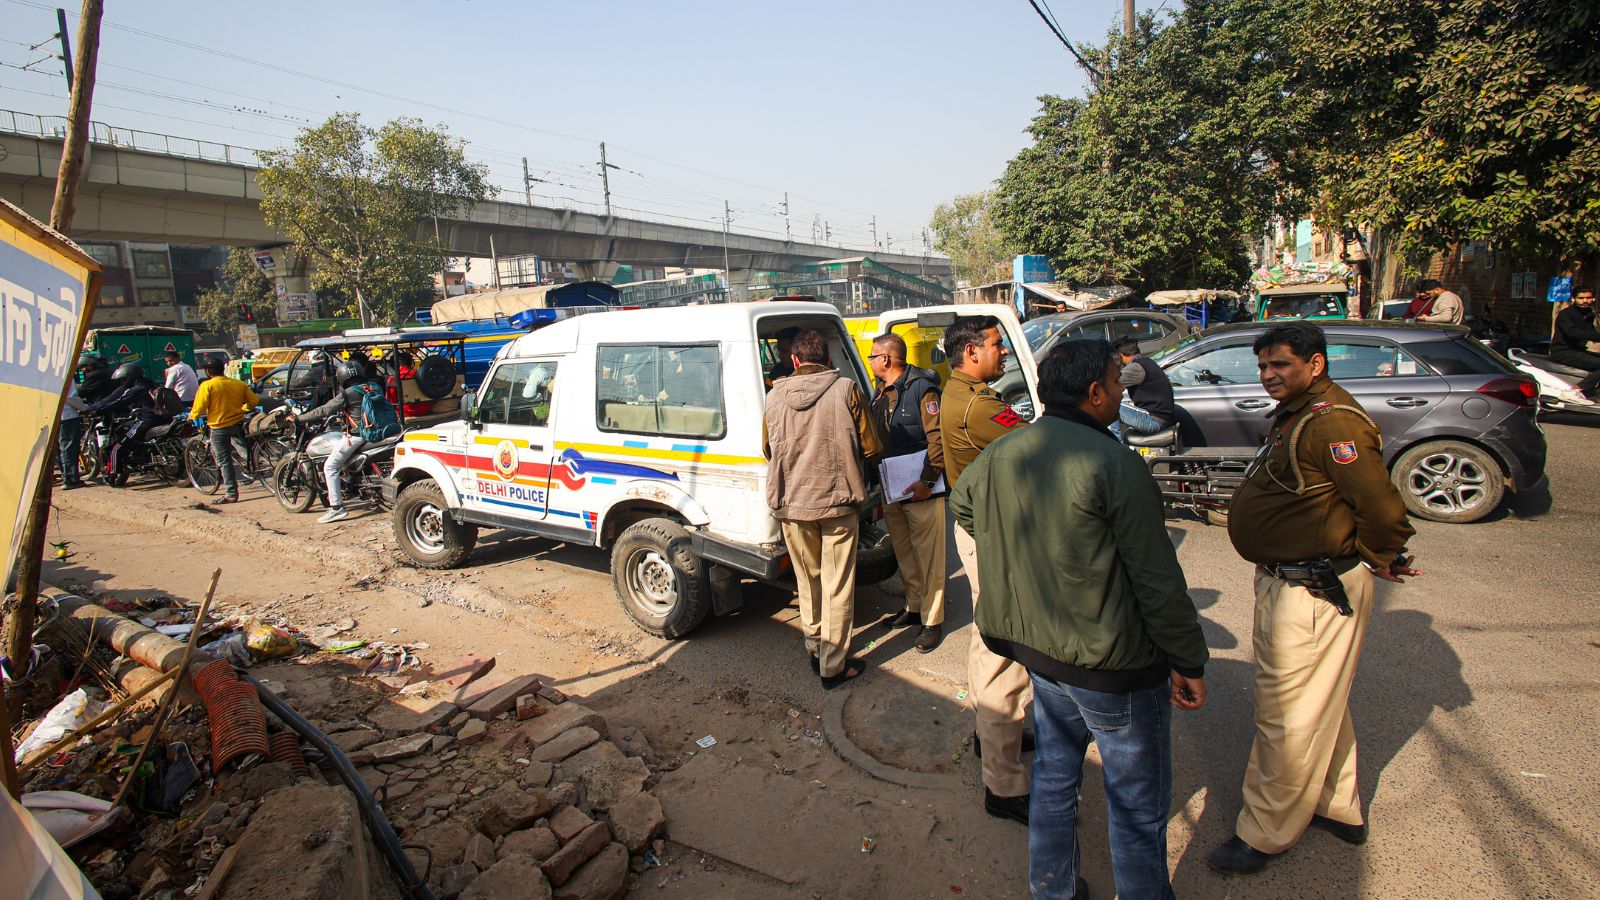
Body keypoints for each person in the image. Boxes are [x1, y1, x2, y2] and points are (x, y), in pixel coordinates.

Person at [951, 339, 1209, 899]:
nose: (1122, 393)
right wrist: (1188, 659)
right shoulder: (1114, 463)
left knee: (1053, 777)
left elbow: (964, 506)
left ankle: (1054, 888)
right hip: (1112, 667)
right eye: (1118, 384)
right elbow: (1159, 583)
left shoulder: (1005, 450)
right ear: (1095, 393)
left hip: (1040, 656)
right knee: (1136, 808)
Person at [1209, 321, 1421, 875]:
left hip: (1313, 587)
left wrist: (1380, 554)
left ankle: (1265, 831)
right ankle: (1337, 804)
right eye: (1263, 366)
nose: (1268, 375)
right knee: (1317, 701)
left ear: (1315, 364)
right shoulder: (1303, 414)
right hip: (1290, 580)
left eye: (1279, 364)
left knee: (1287, 714)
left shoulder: (1333, 424)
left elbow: (1380, 506)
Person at [939, 314, 1032, 824]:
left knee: (987, 631)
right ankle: (1005, 782)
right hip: (992, 530)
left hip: (979, 525)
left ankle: (994, 730)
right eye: (997, 346)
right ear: (972, 352)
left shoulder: (958, 392)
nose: (1004, 354)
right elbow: (1031, 447)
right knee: (1004, 645)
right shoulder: (977, 405)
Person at [763, 329, 884, 689]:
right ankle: (833, 666)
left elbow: (768, 449)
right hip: (837, 504)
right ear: (828, 359)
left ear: (796, 360)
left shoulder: (773, 397)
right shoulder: (847, 389)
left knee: (808, 581)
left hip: (793, 505)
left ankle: (815, 648)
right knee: (837, 585)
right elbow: (871, 445)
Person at [867, 332, 947, 653]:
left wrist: (927, 482)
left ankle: (933, 619)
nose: (870, 361)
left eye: (873, 356)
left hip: (921, 486)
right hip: (892, 485)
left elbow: (937, 438)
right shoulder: (879, 391)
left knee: (929, 557)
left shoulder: (922, 389)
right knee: (905, 552)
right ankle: (914, 607)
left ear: (885, 359)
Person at [287, 360, 392, 524]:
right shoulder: (374, 386)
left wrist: (300, 418)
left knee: (330, 466)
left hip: (359, 435)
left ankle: (336, 508)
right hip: (383, 430)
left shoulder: (347, 394)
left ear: (341, 377)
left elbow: (324, 410)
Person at [189, 359, 259, 504]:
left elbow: (200, 407)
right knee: (243, 449)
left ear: (208, 372)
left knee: (224, 461)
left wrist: (192, 416)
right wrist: (243, 409)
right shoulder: (238, 384)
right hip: (237, 423)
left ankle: (231, 494)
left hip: (218, 427)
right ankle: (255, 469)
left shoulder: (207, 385)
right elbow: (254, 401)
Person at [87, 363, 163, 481]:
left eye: (123, 379)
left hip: (147, 420)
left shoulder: (136, 389)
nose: (122, 382)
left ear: (130, 377)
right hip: (163, 418)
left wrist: (98, 410)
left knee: (116, 447)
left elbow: (118, 402)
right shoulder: (150, 383)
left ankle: (112, 473)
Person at [1113, 336, 1175, 438]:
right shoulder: (1146, 361)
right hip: (1161, 418)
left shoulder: (1135, 368)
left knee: (1110, 406)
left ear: (1120, 355)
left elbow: (1109, 383)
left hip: (1153, 421)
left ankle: (1117, 446)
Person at [1549, 286, 1600, 398]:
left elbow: (1592, 334)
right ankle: (1575, 391)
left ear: (1593, 299)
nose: (1585, 301)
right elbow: (1573, 333)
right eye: (1581, 298)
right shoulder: (1565, 314)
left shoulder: (1588, 314)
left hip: (1577, 350)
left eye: (1588, 297)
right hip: (1563, 352)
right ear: (1574, 299)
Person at [58, 379, 90, 490]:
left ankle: (66, 475)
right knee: (69, 448)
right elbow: (70, 396)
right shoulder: (65, 372)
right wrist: (84, 408)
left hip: (52, 415)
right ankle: (71, 479)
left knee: (59, 448)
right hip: (67, 415)